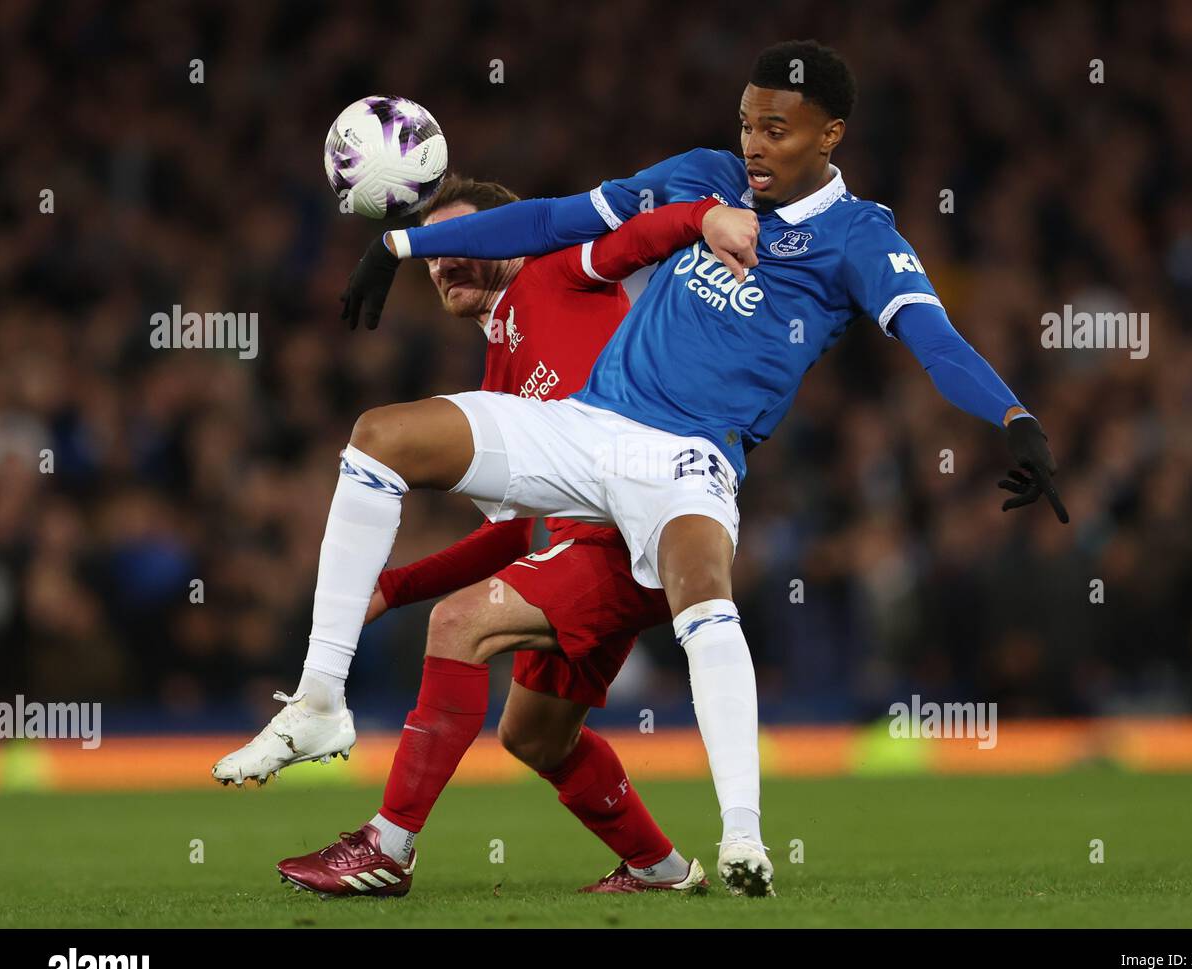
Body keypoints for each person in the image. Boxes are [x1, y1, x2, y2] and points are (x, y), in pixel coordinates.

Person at [239, 40, 1068, 897]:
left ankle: (742, 836)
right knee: (383, 438)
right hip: (589, 426)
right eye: (747, 123)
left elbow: (932, 337)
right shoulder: (700, 176)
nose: (753, 144)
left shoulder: (862, 236)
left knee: (698, 600)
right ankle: (320, 702)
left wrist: (1015, 417)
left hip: (690, 458)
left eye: (776, 129)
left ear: (831, 136)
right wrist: (401, 247)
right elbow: (557, 218)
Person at [219, 176, 742, 896]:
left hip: (638, 533)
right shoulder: (500, 372)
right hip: (586, 550)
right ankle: (661, 871)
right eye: (433, 256)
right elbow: (507, 538)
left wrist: (706, 218)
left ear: (508, 237)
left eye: (462, 243)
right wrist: (390, 588)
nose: (443, 262)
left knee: (460, 624)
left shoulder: (559, 269)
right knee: (534, 736)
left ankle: (387, 846)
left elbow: (636, 236)